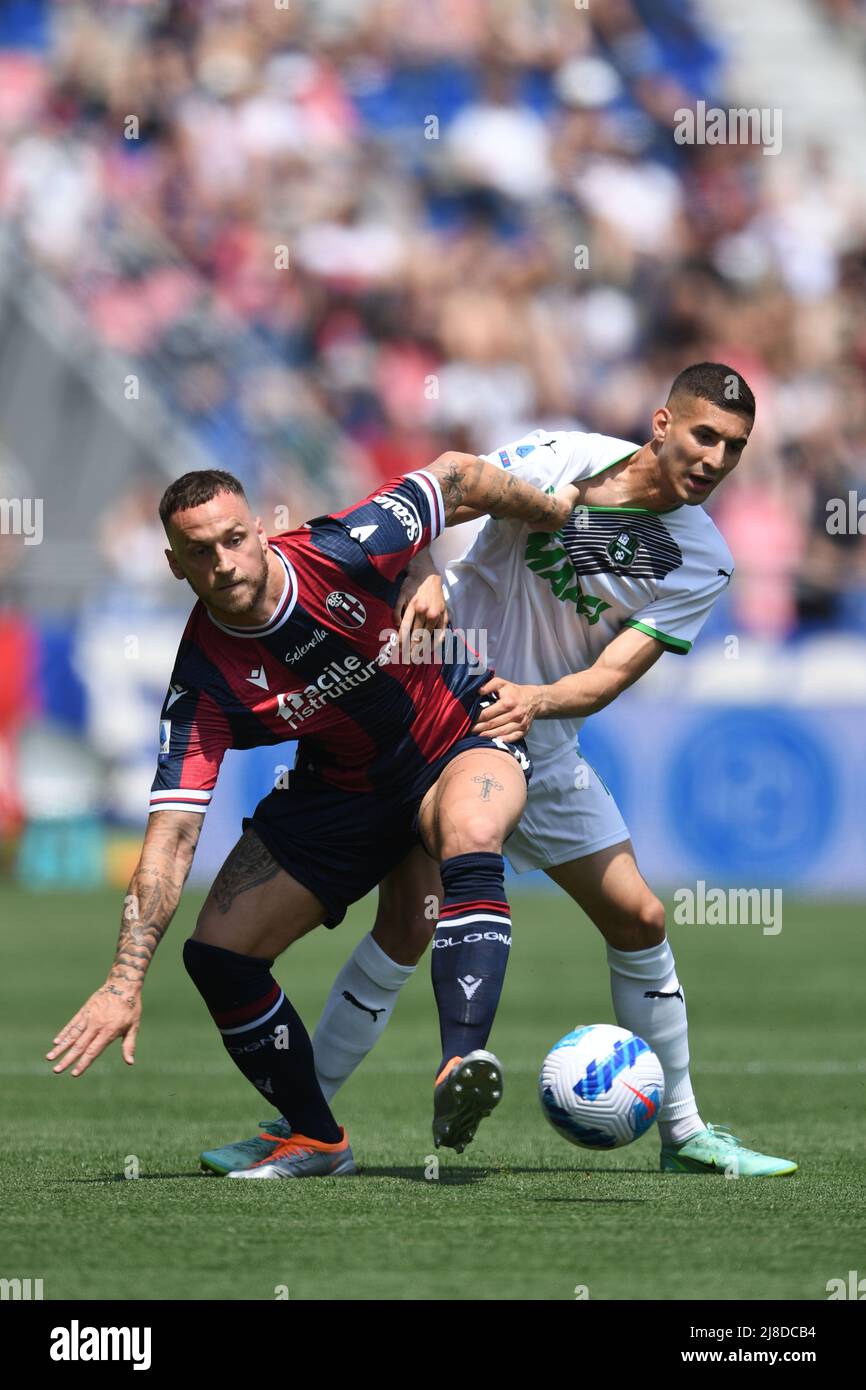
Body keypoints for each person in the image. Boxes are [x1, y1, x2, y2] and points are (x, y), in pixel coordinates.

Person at [205, 362, 797, 1178]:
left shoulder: (702, 558)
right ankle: (296, 1129)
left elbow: (613, 673)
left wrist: (536, 699)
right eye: (703, 435)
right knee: (407, 923)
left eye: (733, 447)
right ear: (662, 424)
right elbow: (435, 504)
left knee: (642, 919)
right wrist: (419, 575)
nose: (715, 459)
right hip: (438, 703)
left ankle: (686, 1134)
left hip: (538, 730)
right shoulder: (561, 458)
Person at [46, 454, 574, 1178]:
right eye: (200, 552)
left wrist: (545, 510)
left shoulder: (345, 547)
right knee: (220, 955)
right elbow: (170, 840)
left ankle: (460, 1062)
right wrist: (122, 981)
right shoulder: (202, 684)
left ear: (261, 529)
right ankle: (317, 1138)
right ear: (175, 566)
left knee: (471, 834)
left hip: (455, 731)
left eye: (234, 538)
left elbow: (455, 477)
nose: (224, 562)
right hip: (345, 788)